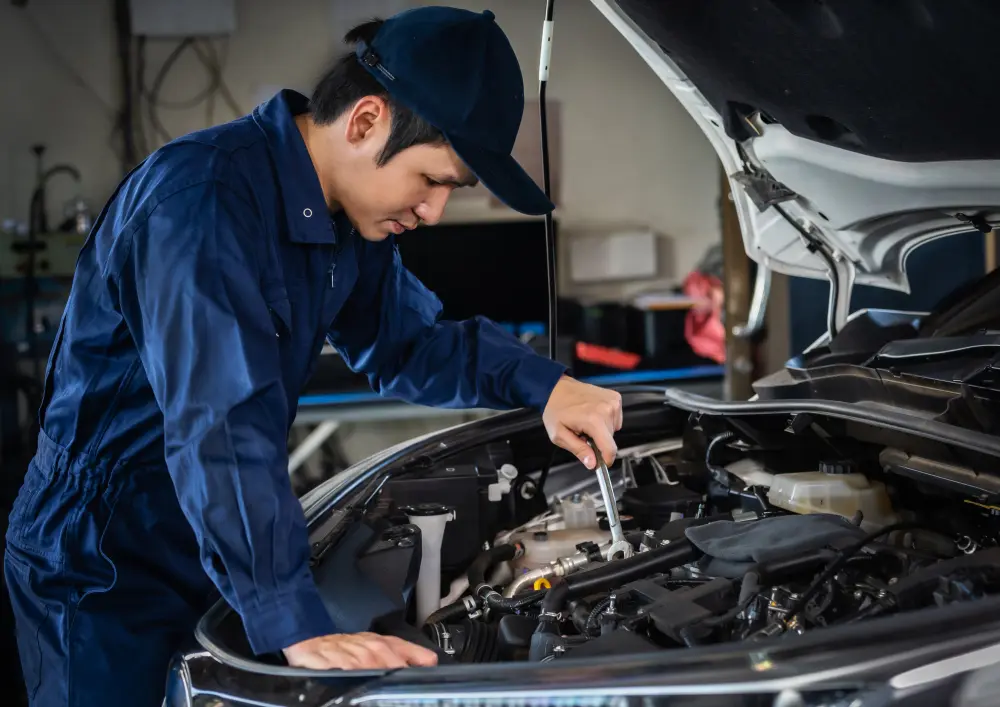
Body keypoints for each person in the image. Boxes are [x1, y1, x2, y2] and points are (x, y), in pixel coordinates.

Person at [4, 7, 623, 707]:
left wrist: (545, 386)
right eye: (432, 180)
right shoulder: (201, 204)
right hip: (103, 557)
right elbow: (221, 422)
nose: (433, 213)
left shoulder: (345, 223)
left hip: (212, 531)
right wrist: (288, 615)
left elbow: (411, 342)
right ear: (365, 122)